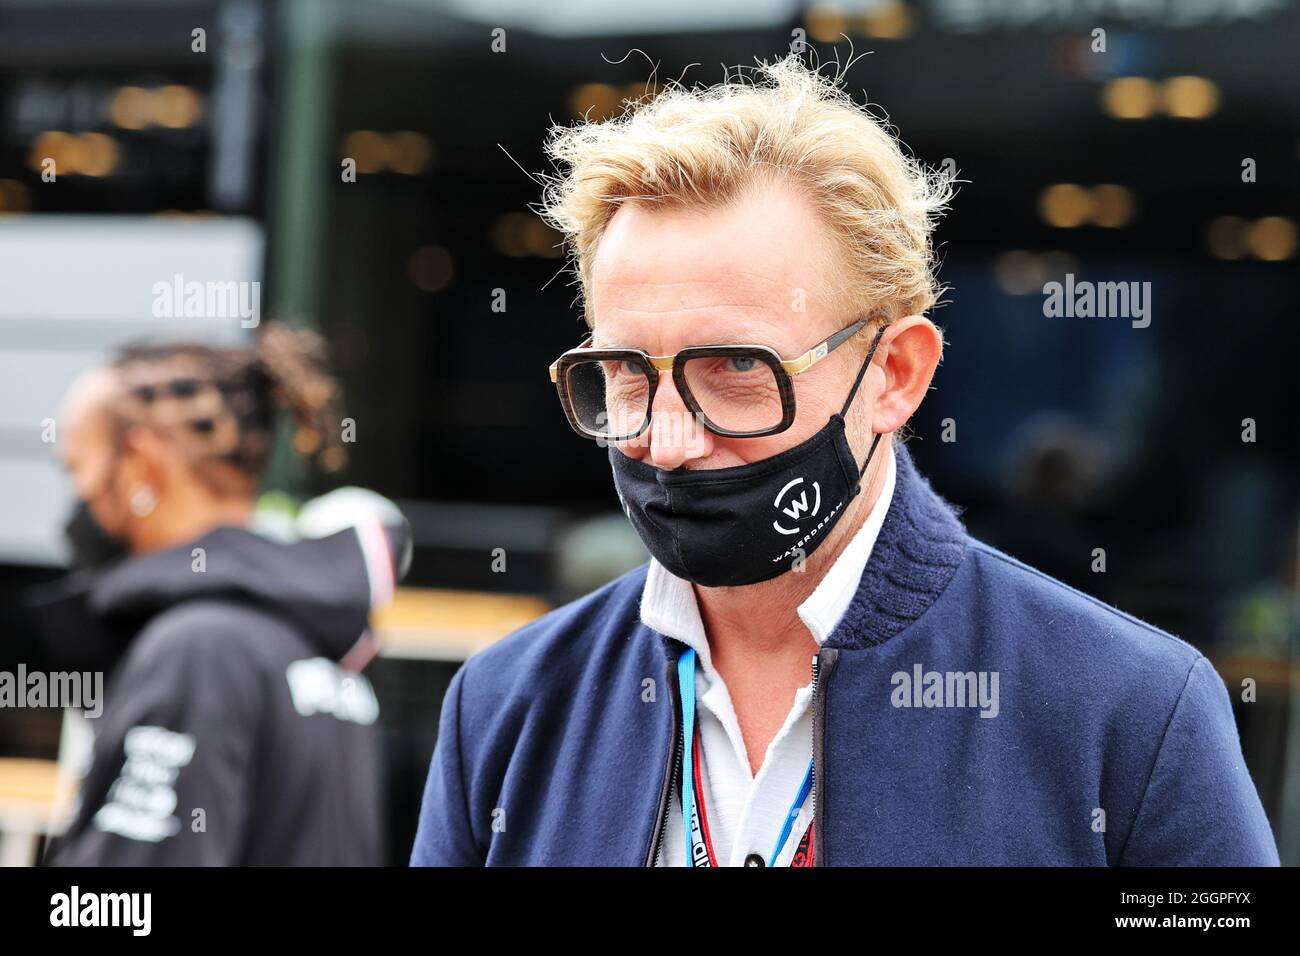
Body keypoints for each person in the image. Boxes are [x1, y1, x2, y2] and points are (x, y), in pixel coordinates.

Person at [410, 55, 1279, 866]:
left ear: (895, 375)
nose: (668, 441)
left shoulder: (1129, 716)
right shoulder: (505, 706)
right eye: (626, 375)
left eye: (739, 369)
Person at [43, 326, 401, 865]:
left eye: (78, 467)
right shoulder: (315, 643)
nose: (79, 497)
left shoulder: (197, 649)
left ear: (140, 464)